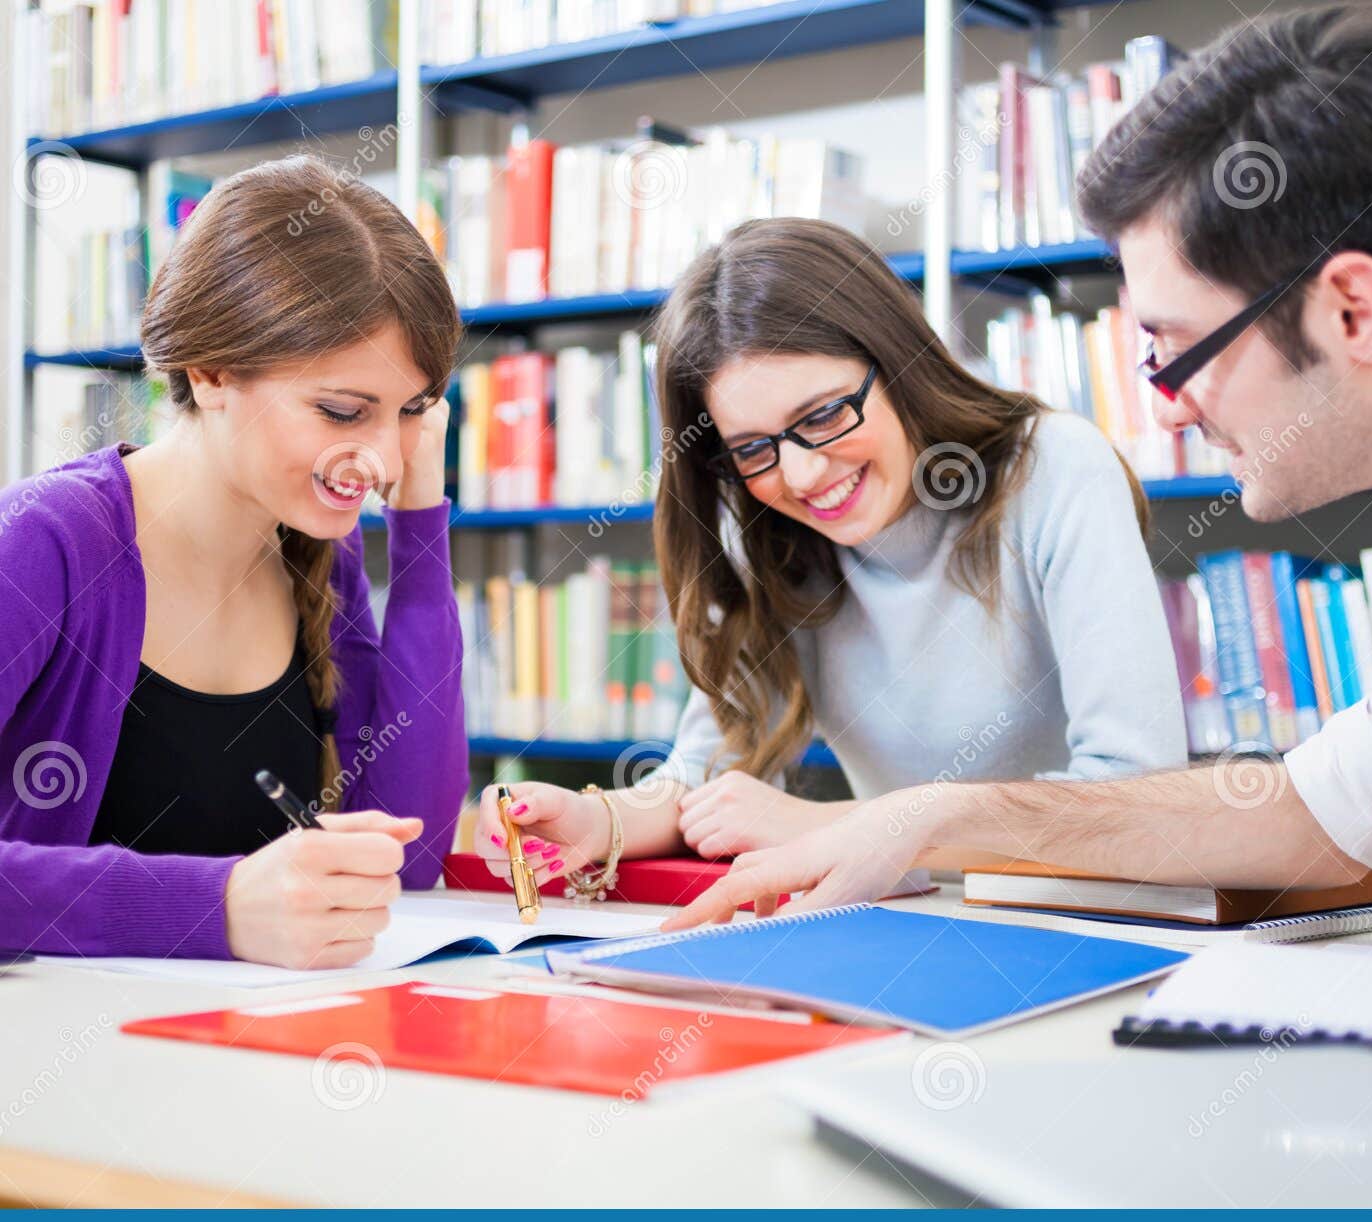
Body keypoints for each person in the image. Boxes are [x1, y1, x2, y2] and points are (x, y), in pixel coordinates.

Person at [667, 5, 1372, 973]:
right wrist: (921, 817)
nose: (1166, 411)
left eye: (1172, 347)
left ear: (1353, 309)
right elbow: (1316, 814)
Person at [477, 217, 1187, 893]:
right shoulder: (768, 527)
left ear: (898, 359)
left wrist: (828, 825)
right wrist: (598, 820)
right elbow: (710, 776)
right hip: (910, 918)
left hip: (1096, 922)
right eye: (753, 449)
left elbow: (1135, 797)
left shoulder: (1056, 468)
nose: (804, 476)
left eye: (821, 416)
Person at [0, 155, 470, 969]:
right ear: (211, 372)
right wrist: (211, 907)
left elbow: (411, 853)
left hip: (238, 1059)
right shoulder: (48, 543)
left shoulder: (322, 554)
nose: (385, 458)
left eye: (410, 411)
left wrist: (422, 526)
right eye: (342, 410)